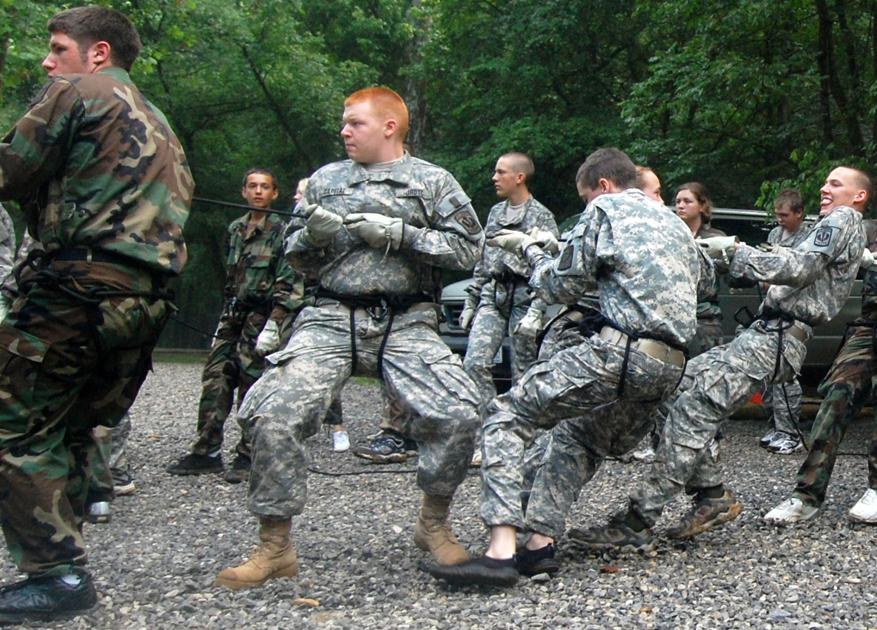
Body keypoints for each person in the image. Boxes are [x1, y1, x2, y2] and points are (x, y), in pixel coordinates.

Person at [214, 86, 484, 590]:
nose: (343, 131)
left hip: (407, 320)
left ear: (389, 127)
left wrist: (400, 234)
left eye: (354, 123)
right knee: (273, 410)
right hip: (330, 316)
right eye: (343, 122)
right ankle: (275, 545)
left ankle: (433, 523)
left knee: (460, 412)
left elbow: (471, 251)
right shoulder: (325, 181)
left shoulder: (432, 182)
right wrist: (311, 237)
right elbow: (294, 255)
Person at [425, 147, 703, 587]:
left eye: (587, 198)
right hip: (668, 368)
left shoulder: (605, 210)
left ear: (604, 187)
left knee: (504, 414)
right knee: (577, 437)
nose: (587, 206)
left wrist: (536, 253)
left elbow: (561, 283)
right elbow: (695, 283)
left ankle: (499, 552)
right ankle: (539, 546)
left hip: (620, 353)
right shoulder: (674, 223)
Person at [0, 5, 193, 622]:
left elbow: (10, 168)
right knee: (73, 425)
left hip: (75, 290)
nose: (48, 62)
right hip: (143, 302)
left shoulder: (81, 91)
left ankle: (56, 575)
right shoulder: (159, 122)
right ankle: (63, 560)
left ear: (99, 52)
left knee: (15, 423)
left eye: (58, 48)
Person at [572, 166, 867, 552]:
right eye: (825, 181)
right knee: (673, 386)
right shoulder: (829, 227)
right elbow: (796, 263)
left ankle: (639, 520)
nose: (824, 188)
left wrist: (734, 253)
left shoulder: (843, 219)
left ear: (858, 196)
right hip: (765, 334)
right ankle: (711, 495)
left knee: (695, 405)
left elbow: (800, 268)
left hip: (777, 338)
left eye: (835, 184)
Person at [167, 168, 304, 483]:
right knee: (215, 378)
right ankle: (206, 451)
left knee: (252, 384)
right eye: (253, 186)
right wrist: (223, 318)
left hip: (263, 317)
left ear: (274, 194)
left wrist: (275, 324)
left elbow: (290, 282)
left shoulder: (283, 232)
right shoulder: (234, 230)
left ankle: (247, 454)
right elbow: (232, 279)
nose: (258, 192)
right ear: (243, 191)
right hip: (233, 315)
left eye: (265, 187)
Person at [764, 206, 877, 524]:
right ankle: (806, 495)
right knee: (836, 394)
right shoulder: (863, 229)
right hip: (870, 325)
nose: (825, 191)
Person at [460, 152, 558, 465]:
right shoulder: (494, 213)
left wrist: (538, 310)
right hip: (494, 293)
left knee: (523, 374)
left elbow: (548, 269)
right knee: (474, 362)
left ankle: (522, 440)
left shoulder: (541, 216)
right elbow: (484, 258)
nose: (494, 177)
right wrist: (471, 299)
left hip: (524, 297)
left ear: (519, 177)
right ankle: (489, 434)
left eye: (501, 172)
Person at [760, 189, 811, 454]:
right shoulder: (774, 235)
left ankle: (791, 433)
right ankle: (777, 426)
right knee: (769, 373)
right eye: (777, 215)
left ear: (799, 213)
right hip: (771, 308)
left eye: (785, 215)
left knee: (786, 373)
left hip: (795, 312)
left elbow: (802, 274)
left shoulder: (809, 239)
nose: (780, 220)